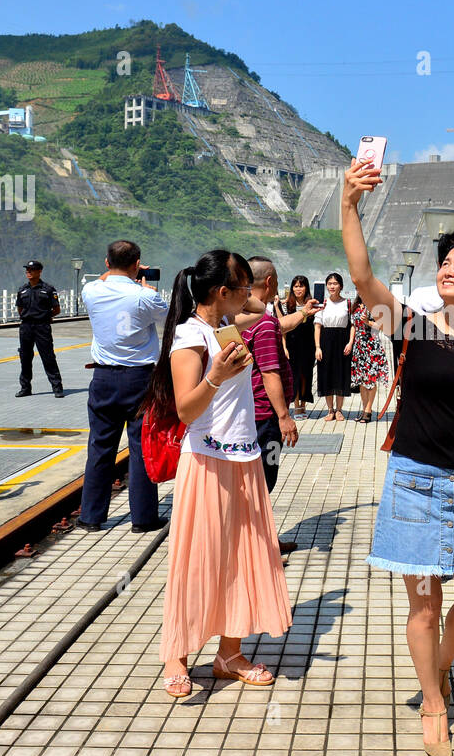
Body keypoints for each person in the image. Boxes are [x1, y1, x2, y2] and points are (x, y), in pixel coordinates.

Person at [341, 157, 454, 756]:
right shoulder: (414, 329)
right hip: (414, 482)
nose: (448, 267)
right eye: (445, 261)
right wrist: (349, 202)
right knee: (425, 604)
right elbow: (364, 277)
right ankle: (433, 700)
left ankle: (436, 668)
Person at [147, 251, 292, 698]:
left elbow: (262, 309)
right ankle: (178, 655)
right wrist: (215, 376)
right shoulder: (191, 336)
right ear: (222, 291)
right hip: (207, 458)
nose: (252, 293)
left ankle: (229, 653)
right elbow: (187, 409)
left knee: (245, 556)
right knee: (198, 557)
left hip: (245, 457)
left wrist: (253, 299)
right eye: (242, 285)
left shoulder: (223, 327)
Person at [77, 240, 169, 533]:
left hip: (103, 378)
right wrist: (145, 288)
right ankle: (143, 518)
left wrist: (120, 272)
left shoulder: (90, 291)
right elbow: (170, 318)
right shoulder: (145, 296)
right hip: (139, 378)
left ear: (106, 263)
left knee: (100, 446)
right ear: (137, 264)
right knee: (141, 447)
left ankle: (91, 517)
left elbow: (104, 279)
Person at [241, 258, 300, 553]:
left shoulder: (240, 317)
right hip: (265, 418)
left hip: (249, 415)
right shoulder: (263, 323)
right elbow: (269, 372)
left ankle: (264, 541)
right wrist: (284, 416)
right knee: (265, 480)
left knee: (255, 483)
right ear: (270, 281)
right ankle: (258, 549)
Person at [15, 260, 64, 398]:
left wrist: (43, 316)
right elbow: (20, 308)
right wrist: (29, 316)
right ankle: (25, 388)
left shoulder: (48, 289)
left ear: (39, 271)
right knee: (25, 357)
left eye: (31, 270)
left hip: (42, 327)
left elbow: (56, 309)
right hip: (26, 327)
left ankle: (57, 387)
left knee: (48, 357)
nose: (28, 272)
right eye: (27, 270)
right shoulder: (22, 289)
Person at [313, 272, 353, 420]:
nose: (332, 286)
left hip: (342, 340)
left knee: (341, 374)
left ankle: (339, 410)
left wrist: (350, 342)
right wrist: (318, 347)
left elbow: (352, 325)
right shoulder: (322, 303)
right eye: (329, 283)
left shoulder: (347, 303)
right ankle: (330, 410)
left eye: (335, 283)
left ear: (341, 286)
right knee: (326, 374)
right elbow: (317, 326)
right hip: (326, 340)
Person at [277, 276, 317, 418]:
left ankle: (303, 405)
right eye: (296, 286)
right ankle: (295, 406)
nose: (298, 289)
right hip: (292, 343)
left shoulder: (312, 304)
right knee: (293, 375)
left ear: (306, 288)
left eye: (301, 286)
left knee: (306, 374)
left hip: (308, 344)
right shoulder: (287, 305)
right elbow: (283, 327)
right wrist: (284, 347)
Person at [348, 290, 390, 423]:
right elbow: (353, 326)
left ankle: (368, 410)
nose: (360, 290)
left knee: (370, 379)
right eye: (358, 288)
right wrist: (350, 342)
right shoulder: (355, 306)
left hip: (371, 345)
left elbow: (383, 326)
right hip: (358, 346)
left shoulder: (375, 305)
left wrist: (368, 322)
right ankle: (364, 408)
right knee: (361, 380)